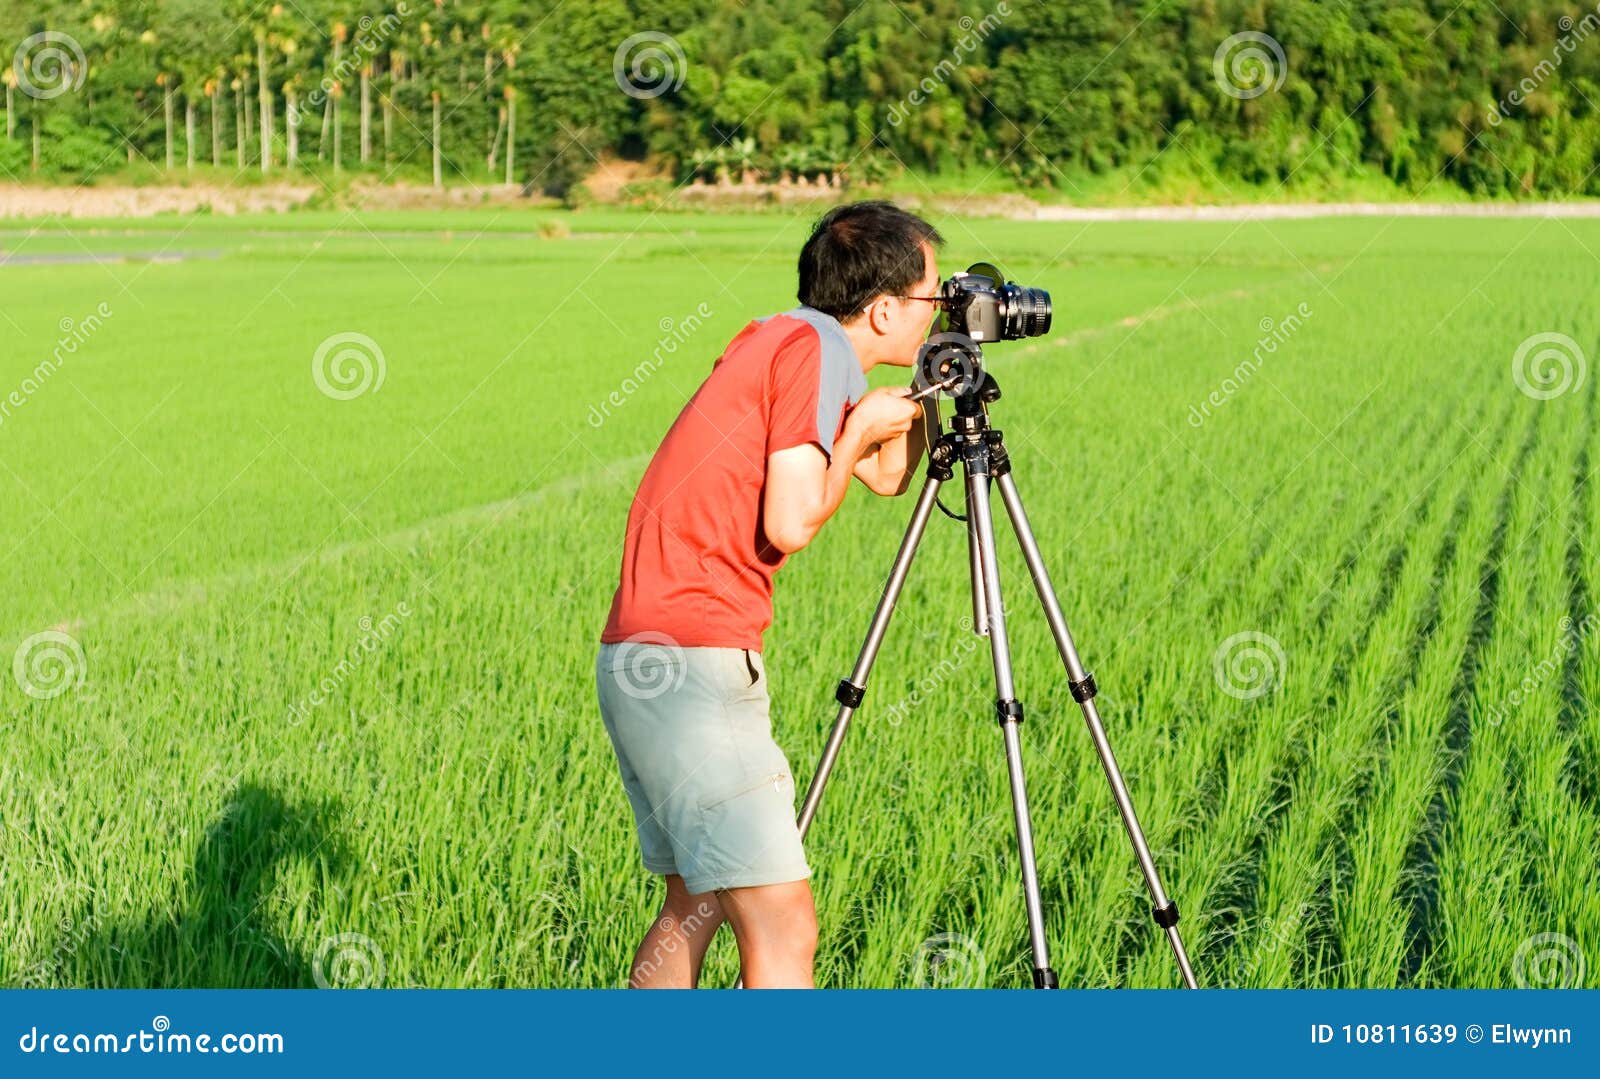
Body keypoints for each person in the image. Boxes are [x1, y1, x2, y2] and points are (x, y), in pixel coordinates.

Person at [596, 201, 945, 988]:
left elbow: (889, 477)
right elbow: (790, 520)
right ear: (883, 308)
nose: (938, 312)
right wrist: (858, 434)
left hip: (643, 657)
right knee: (785, 924)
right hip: (697, 666)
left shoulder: (781, 339)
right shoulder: (814, 353)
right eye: (932, 299)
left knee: (694, 902)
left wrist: (930, 389)